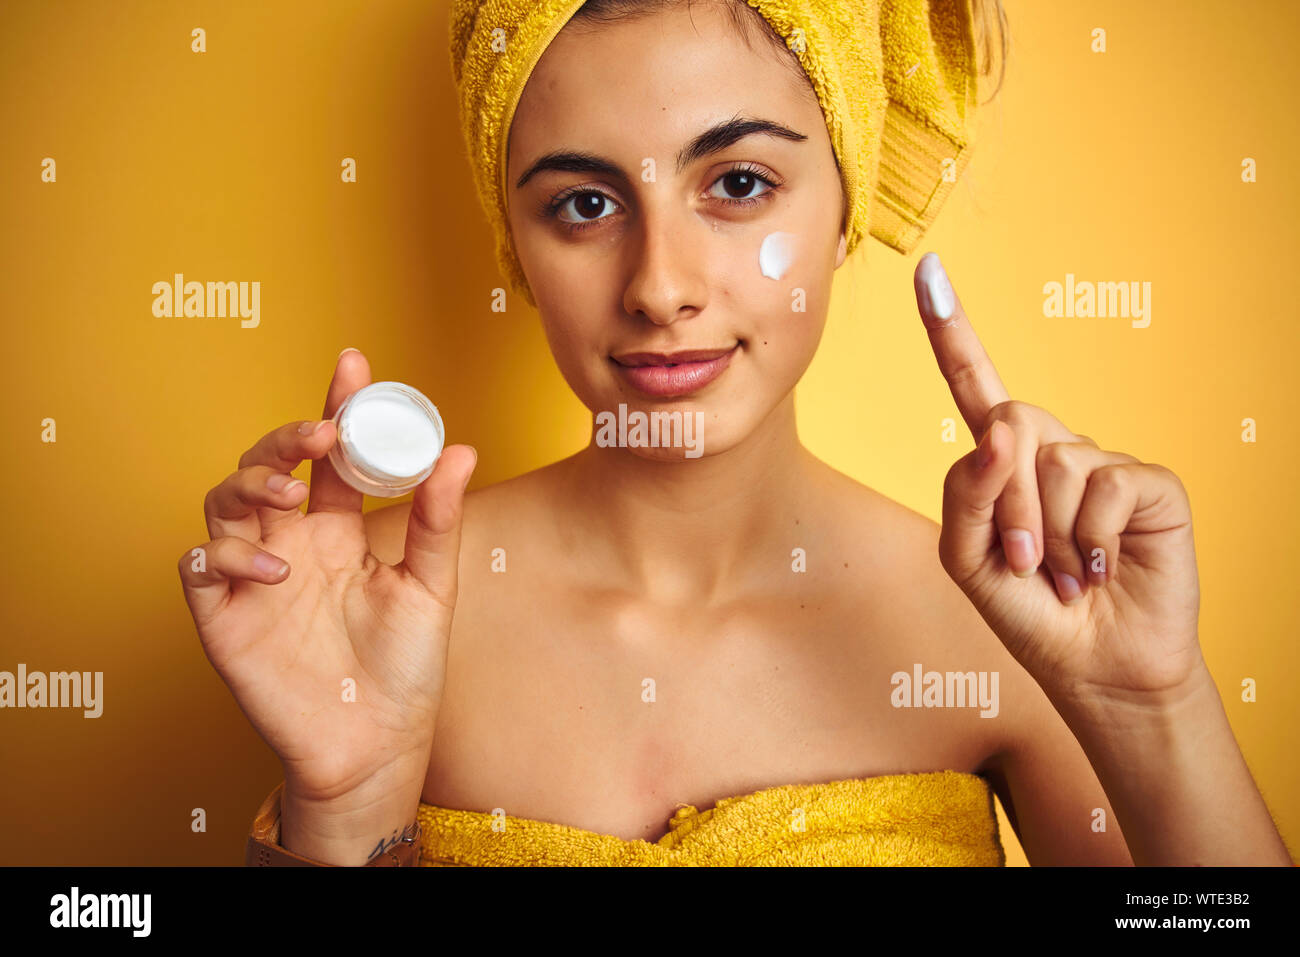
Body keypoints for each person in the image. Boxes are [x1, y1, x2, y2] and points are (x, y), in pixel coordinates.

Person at [180, 0, 1293, 866]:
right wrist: (342, 810)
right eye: (583, 203)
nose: (661, 286)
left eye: (741, 182)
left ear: (844, 201)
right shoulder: (373, 617)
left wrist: (1152, 705)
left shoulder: (1014, 619)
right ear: (512, 241)